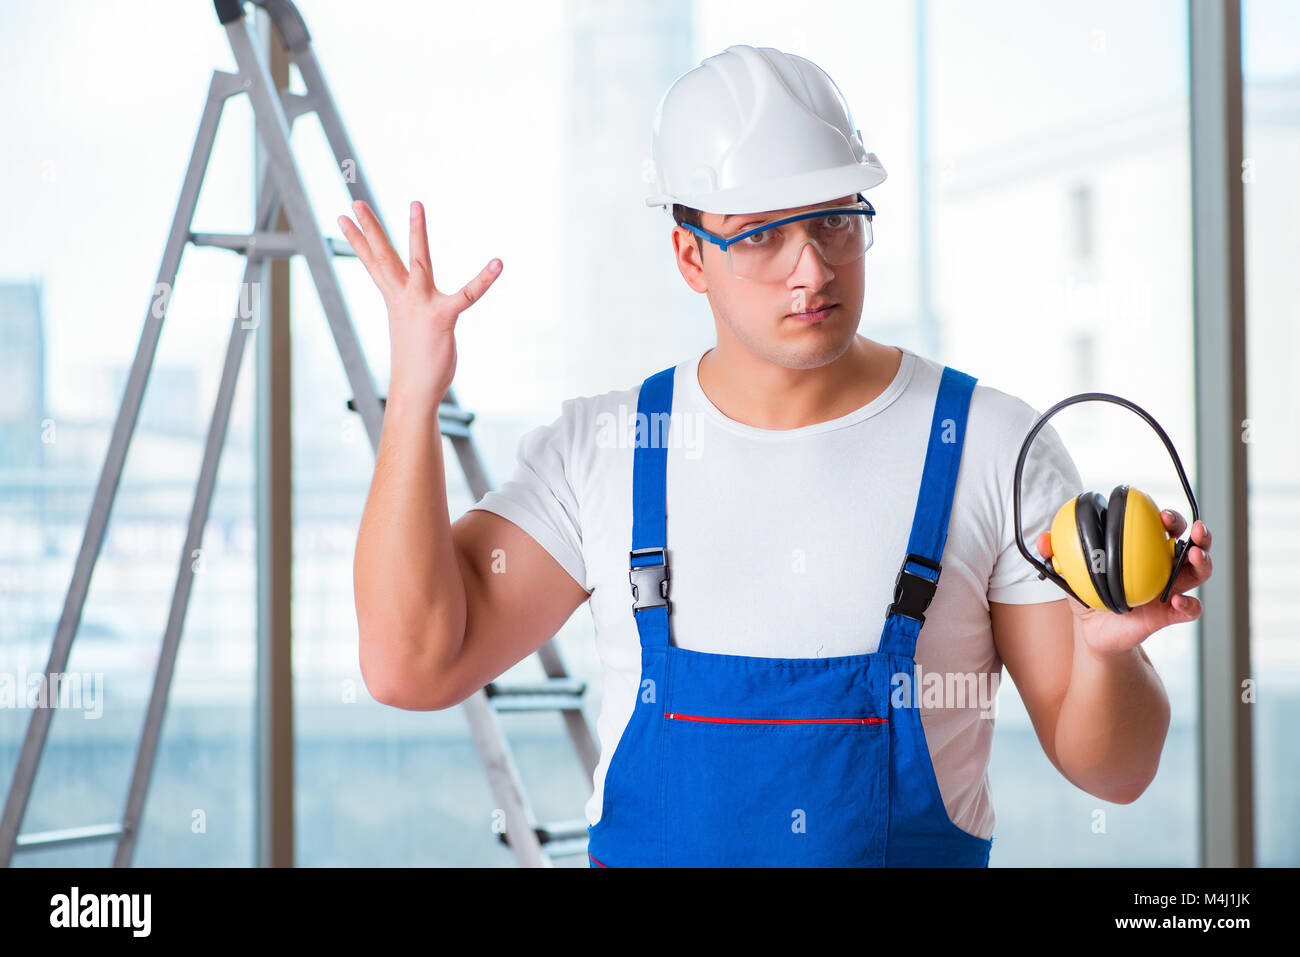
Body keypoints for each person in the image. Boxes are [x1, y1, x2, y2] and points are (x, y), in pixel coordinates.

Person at [343, 44, 1213, 867]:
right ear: (690, 254)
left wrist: (1107, 651)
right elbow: (411, 662)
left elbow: (1116, 771)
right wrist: (414, 392)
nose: (813, 269)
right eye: (762, 235)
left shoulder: (989, 443)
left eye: (836, 220)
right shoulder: (608, 448)